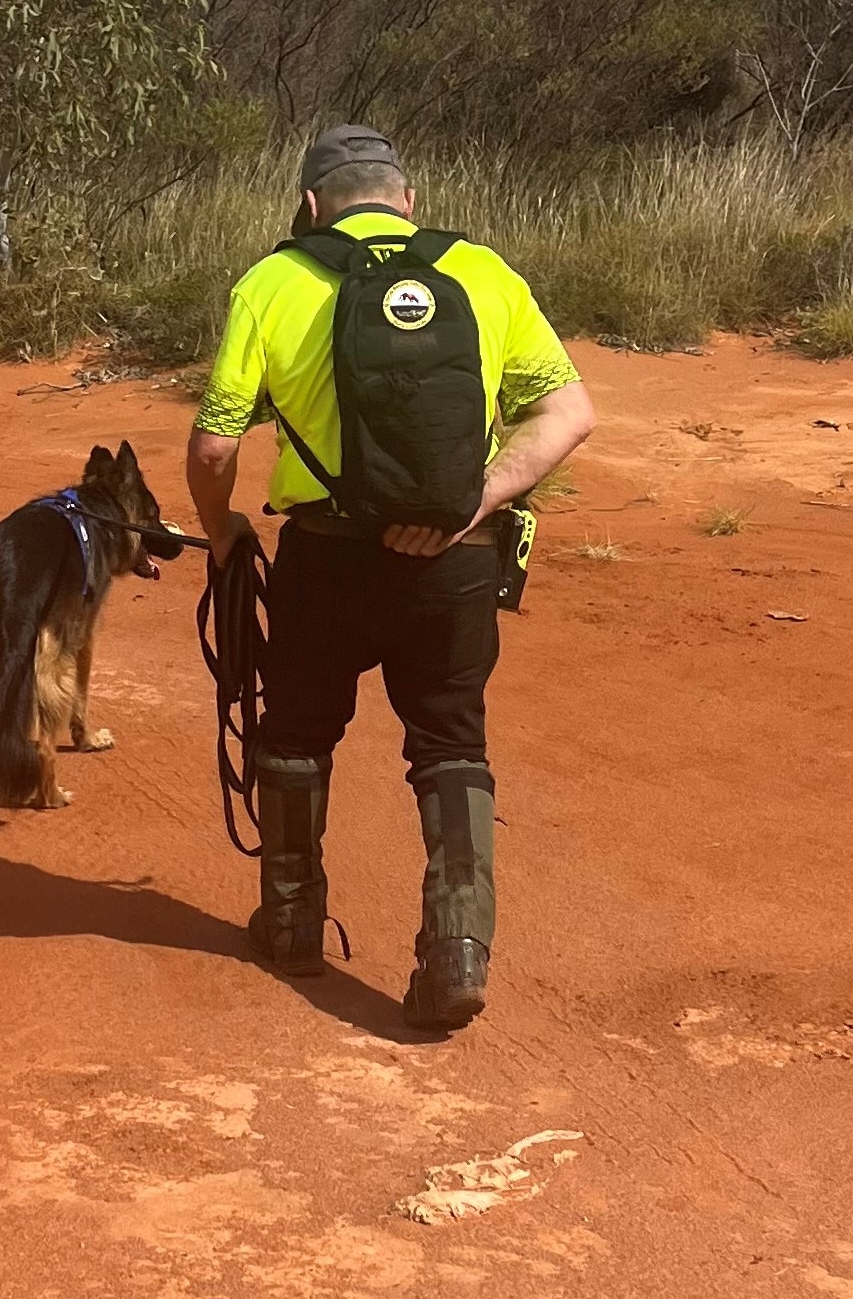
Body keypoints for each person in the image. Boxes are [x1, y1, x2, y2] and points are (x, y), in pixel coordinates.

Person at [185, 125, 596, 1030]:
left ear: (309, 205)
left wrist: (223, 534)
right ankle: (455, 952)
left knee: (293, 732)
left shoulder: (272, 282)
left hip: (325, 559)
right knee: (450, 744)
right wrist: (469, 504)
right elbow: (570, 410)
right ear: (408, 201)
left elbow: (215, 445)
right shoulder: (482, 274)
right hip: (452, 563)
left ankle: (291, 921)